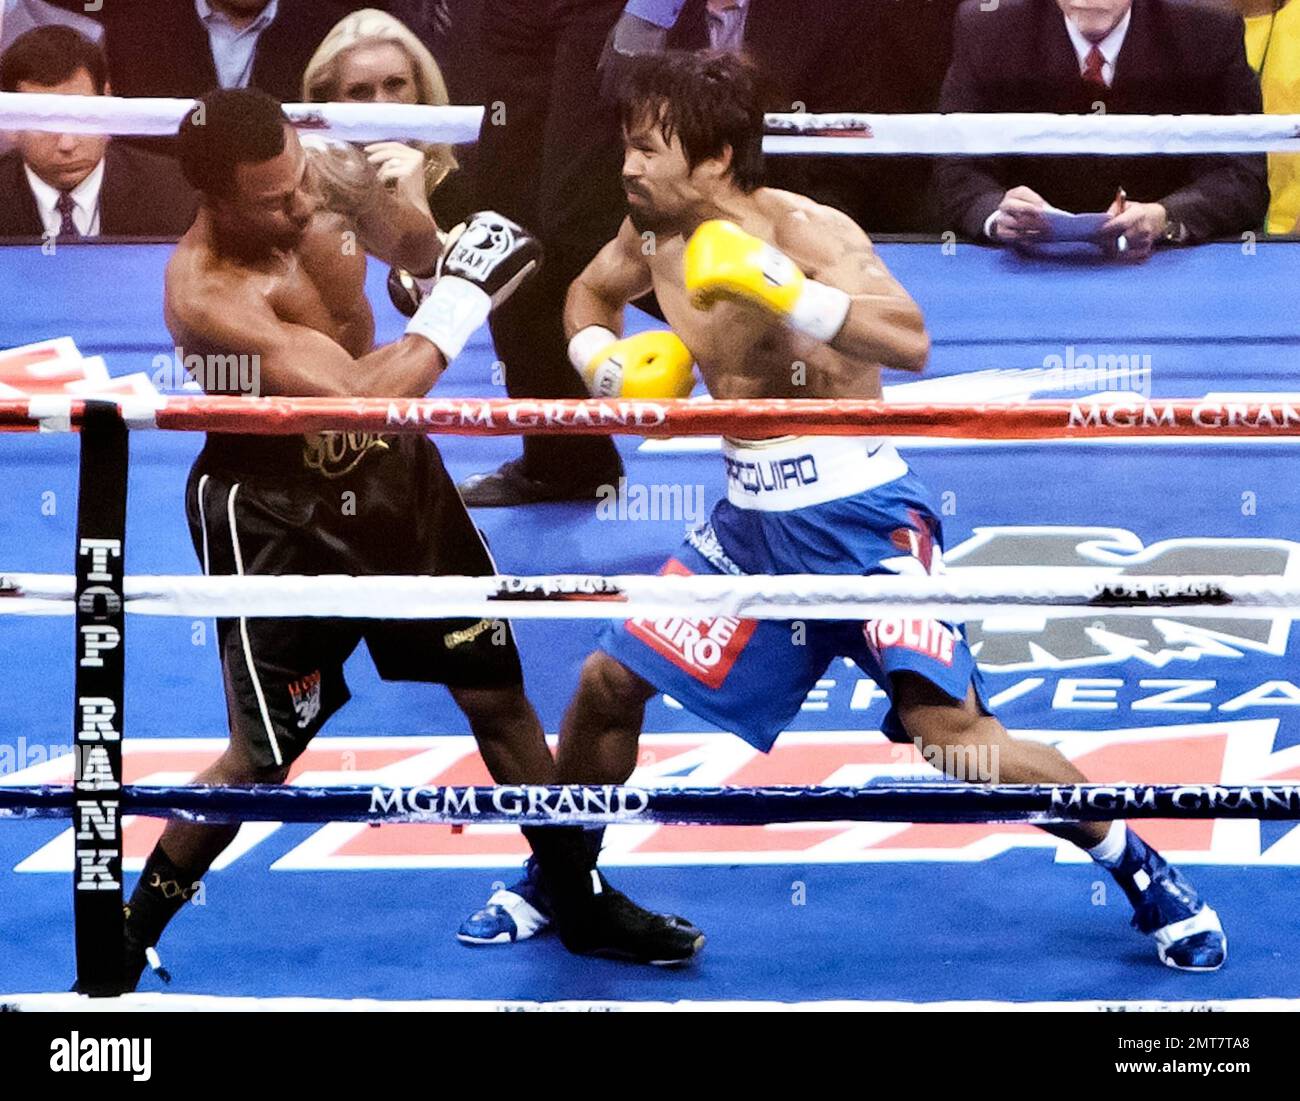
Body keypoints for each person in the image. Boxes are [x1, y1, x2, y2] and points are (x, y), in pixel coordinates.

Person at [459, 50, 1227, 973]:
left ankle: (1138, 863)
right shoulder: (649, 231)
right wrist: (604, 361)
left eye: (649, 148)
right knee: (603, 685)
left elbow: (910, 340)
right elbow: (587, 292)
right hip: (747, 525)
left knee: (955, 742)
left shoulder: (810, 232)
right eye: (627, 143)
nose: (629, 166)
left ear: (715, 159)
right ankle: (563, 875)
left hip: (860, 518)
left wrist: (785, 290)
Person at [109, 88, 696, 990]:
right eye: (272, 202)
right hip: (275, 507)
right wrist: (459, 300)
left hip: (393, 480)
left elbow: (419, 253)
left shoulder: (322, 179)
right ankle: (131, 926)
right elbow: (356, 397)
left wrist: (424, 225)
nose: (300, 207)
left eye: (299, 181)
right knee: (264, 753)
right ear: (216, 199)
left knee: (496, 694)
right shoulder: (206, 295)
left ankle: (575, 897)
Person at [934, 0, 1269, 256]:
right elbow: (957, 168)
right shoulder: (987, 26)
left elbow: (1242, 176)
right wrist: (997, 215)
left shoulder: (1208, 28)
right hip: (1026, 269)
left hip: (1165, 269)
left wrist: (1163, 217)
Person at [0, 27, 196, 238]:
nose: (67, 144)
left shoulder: (176, 192)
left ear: (107, 102)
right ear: (9, 121)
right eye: (44, 122)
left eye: (83, 116)